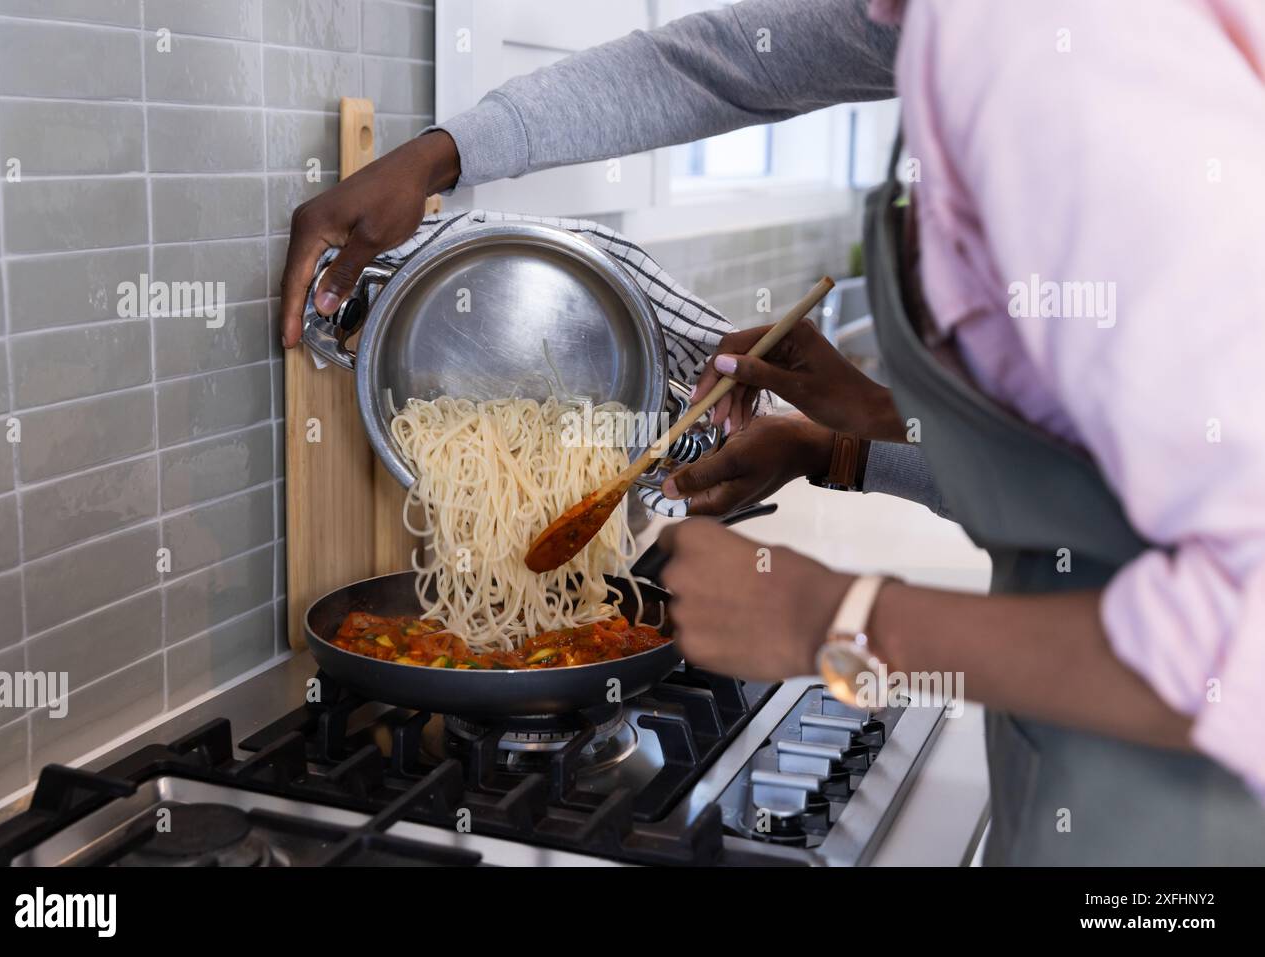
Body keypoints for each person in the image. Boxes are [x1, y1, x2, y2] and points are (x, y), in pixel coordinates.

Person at [278, 0, 1265, 864]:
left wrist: (835, 624)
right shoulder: (958, 25)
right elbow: (724, 63)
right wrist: (845, 443)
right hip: (1077, 747)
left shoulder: (1066, 58)